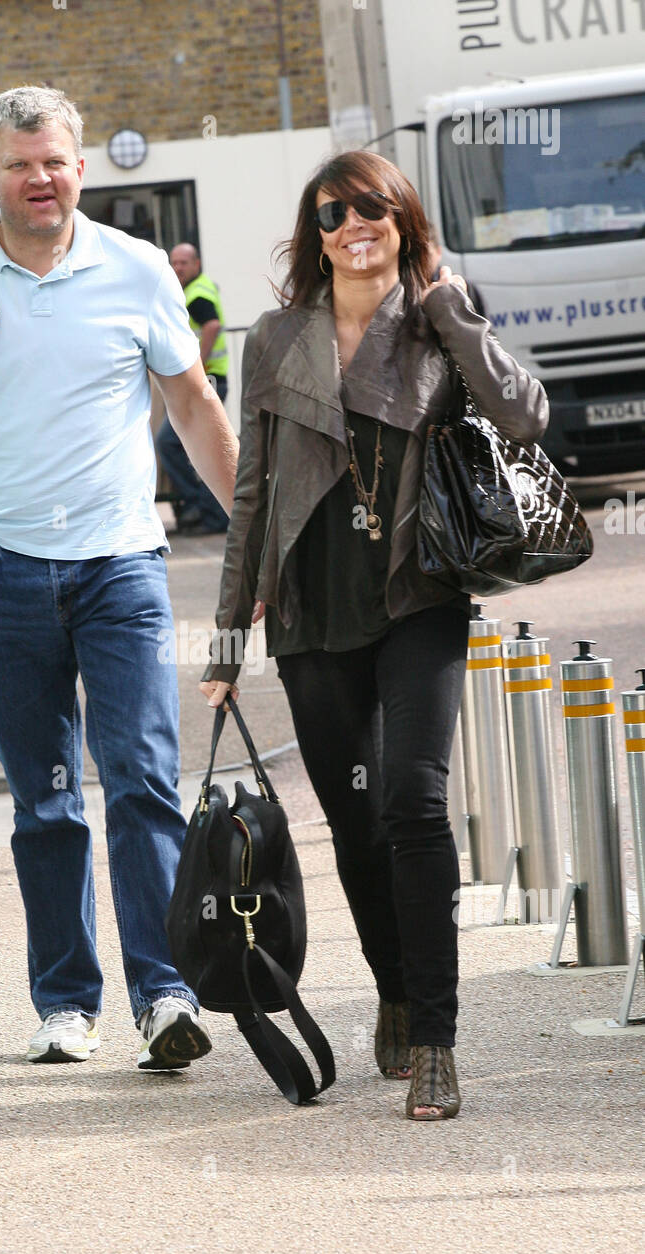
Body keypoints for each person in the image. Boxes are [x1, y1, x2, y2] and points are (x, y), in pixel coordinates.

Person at [0, 87, 238, 1071]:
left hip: (121, 563)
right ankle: (69, 1001)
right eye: (21, 163)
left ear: (81, 169)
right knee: (48, 797)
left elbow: (194, 404)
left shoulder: (139, 269)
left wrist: (255, 534)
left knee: (146, 779)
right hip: (0, 571)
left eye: (57, 160)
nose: (42, 177)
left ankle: (166, 991)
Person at [200, 151, 548, 1120]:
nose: (354, 222)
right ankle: (391, 989)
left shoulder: (439, 317)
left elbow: (524, 415)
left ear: (400, 219)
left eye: (372, 208)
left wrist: (452, 314)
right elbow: (252, 492)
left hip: (417, 596)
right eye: (333, 211)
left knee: (411, 803)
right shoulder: (275, 339)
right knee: (355, 823)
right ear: (315, 234)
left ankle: (435, 1039)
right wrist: (225, 640)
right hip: (311, 616)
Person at [156, 244, 230, 534]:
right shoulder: (195, 289)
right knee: (193, 445)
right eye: (174, 262)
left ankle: (203, 508)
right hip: (210, 381)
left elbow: (212, 326)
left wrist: (195, 366)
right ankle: (208, 511)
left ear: (197, 263)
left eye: (184, 262)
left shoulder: (197, 293)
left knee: (170, 443)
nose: (178, 268)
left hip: (206, 382)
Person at [428, 223, 487, 318]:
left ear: (439, 252)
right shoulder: (406, 290)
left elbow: (481, 328)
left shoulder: (461, 287)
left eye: (427, 255)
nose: (422, 261)